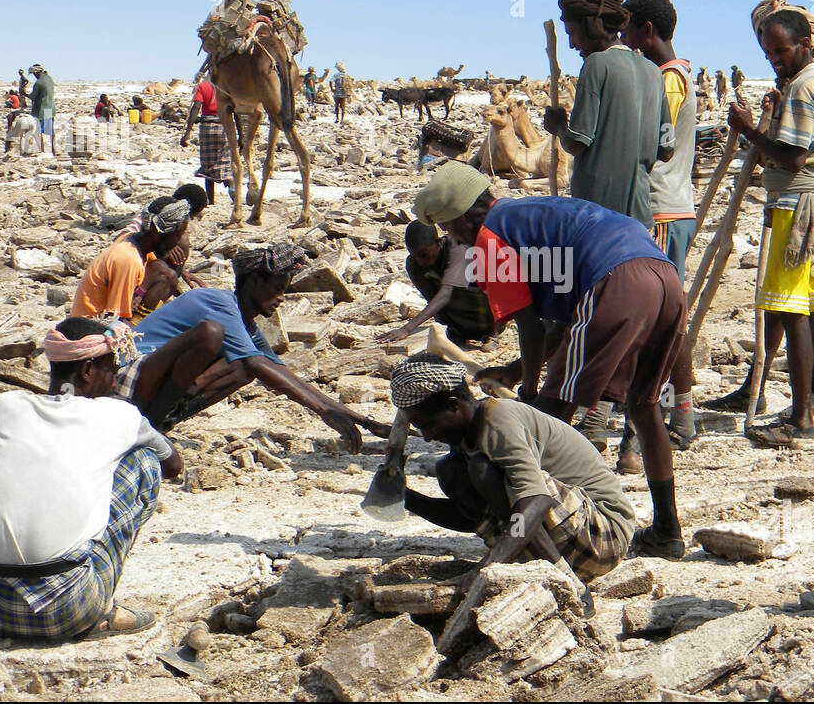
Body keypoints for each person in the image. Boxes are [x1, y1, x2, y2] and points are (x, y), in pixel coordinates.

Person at [414, 162, 688, 558]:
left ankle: (534, 538)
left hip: (615, 282)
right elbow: (560, 326)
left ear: (468, 216)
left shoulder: (491, 237)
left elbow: (529, 325)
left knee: (546, 416)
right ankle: (667, 529)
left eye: (449, 228)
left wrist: (528, 391)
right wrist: (515, 370)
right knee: (644, 409)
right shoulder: (530, 213)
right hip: (662, 276)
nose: (452, 239)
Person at [0, 317, 180, 640]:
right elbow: (173, 465)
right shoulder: (118, 415)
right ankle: (103, 611)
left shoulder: (8, 406)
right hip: (69, 610)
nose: (115, 378)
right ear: (87, 370)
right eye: (112, 367)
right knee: (143, 461)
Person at [705, 9, 814, 448]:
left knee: (791, 310)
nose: (774, 60)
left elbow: (793, 157)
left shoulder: (804, 87)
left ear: (805, 45)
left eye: (781, 51)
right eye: (768, 53)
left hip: (795, 209)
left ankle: (801, 416)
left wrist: (750, 130)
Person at [390, 354, 635, 586]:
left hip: (602, 536)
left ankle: (563, 579)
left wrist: (488, 566)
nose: (429, 437)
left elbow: (536, 500)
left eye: (429, 425)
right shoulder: (466, 439)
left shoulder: (499, 419)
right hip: (568, 539)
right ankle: (536, 563)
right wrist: (403, 496)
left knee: (485, 472)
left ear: (454, 406)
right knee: (450, 470)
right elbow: (472, 519)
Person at [117, 242, 388, 451]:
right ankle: (147, 429)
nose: (282, 299)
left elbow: (287, 377)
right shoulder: (218, 302)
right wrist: (323, 413)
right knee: (228, 347)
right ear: (255, 282)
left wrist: (363, 421)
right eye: (278, 289)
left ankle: (157, 424)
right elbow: (257, 364)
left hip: (150, 384)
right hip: (130, 375)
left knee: (243, 368)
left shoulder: (246, 328)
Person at [623, 0, 698, 449]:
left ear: (646, 31)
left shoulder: (668, 81)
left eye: (629, 30)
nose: (625, 39)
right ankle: (680, 415)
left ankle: (645, 424)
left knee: (652, 322)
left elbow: (659, 141)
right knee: (668, 319)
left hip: (661, 209)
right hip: (673, 206)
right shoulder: (677, 74)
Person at [542, 0, 674, 230]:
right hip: (641, 220)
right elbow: (666, 148)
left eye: (572, 33)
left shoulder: (596, 65)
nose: (571, 44)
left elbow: (578, 141)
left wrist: (558, 126)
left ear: (592, 27)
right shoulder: (653, 72)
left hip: (598, 219)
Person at [375, 221, 496, 349]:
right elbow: (433, 299)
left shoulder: (457, 248)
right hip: (457, 319)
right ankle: (453, 331)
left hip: (484, 314)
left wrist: (406, 329)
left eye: (424, 255)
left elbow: (446, 293)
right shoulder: (415, 263)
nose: (421, 262)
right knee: (412, 265)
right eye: (416, 256)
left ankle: (493, 335)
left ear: (439, 243)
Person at [72, 197, 189, 323]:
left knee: (164, 274)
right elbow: (114, 318)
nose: (177, 242)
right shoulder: (127, 259)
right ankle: (138, 329)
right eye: (177, 235)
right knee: (165, 276)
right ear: (158, 233)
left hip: (101, 319)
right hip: (91, 327)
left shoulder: (132, 242)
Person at [179, 77, 232, 205]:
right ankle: (236, 199)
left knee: (208, 167)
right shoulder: (228, 85)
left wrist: (187, 132)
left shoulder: (203, 86)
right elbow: (235, 111)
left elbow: (196, 107)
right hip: (224, 127)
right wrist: (240, 136)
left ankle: (211, 201)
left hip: (207, 129)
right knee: (226, 167)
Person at [28, 63, 57, 154]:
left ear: (37, 73)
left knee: (38, 130)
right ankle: (54, 149)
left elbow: (33, 97)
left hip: (41, 109)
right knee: (50, 129)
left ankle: (42, 150)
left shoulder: (39, 83)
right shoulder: (49, 78)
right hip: (49, 107)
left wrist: (24, 94)